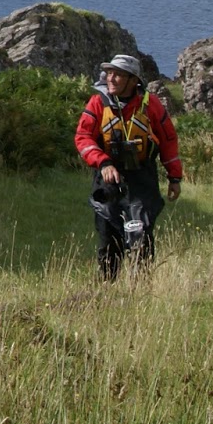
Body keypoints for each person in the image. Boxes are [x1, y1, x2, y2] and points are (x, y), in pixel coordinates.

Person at [74, 54, 183, 279]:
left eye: (118, 75)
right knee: (108, 236)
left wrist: (174, 178)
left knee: (140, 236)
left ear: (133, 80)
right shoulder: (97, 102)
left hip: (141, 179)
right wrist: (102, 162)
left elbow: (169, 140)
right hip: (107, 179)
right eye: (109, 73)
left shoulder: (150, 104)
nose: (111, 79)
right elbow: (83, 137)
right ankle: (107, 288)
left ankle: (140, 291)